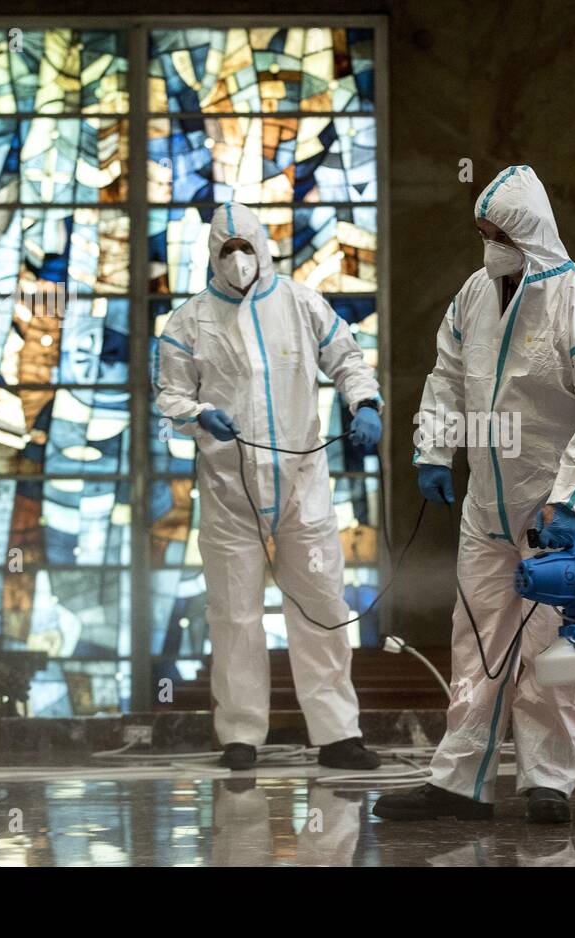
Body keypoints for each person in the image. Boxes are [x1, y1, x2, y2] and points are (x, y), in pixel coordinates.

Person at [374, 166, 575, 823]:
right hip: (487, 506)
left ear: (529, 232)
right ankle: (461, 780)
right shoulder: (473, 295)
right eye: (481, 235)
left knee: (552, 647)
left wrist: (569, 504)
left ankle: (548, 779)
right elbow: (447, 373)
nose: (487, 247)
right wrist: (433, 446)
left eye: (498, 235)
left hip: (561, 513)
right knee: (476, 643)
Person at [155, 201, 384, 772]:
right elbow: (171, 397)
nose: (237, 260)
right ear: (212, 254)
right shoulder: (188, 322)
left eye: (246, 248)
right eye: (226, 250)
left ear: (264, 247)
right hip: (229, 492)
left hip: (303, 483)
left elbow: (348, 359)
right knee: (234, 615)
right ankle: (240, 735)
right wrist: (199, 414)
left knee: (321, 605)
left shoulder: (302, 304)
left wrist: (366, 403)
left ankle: (337, 734)